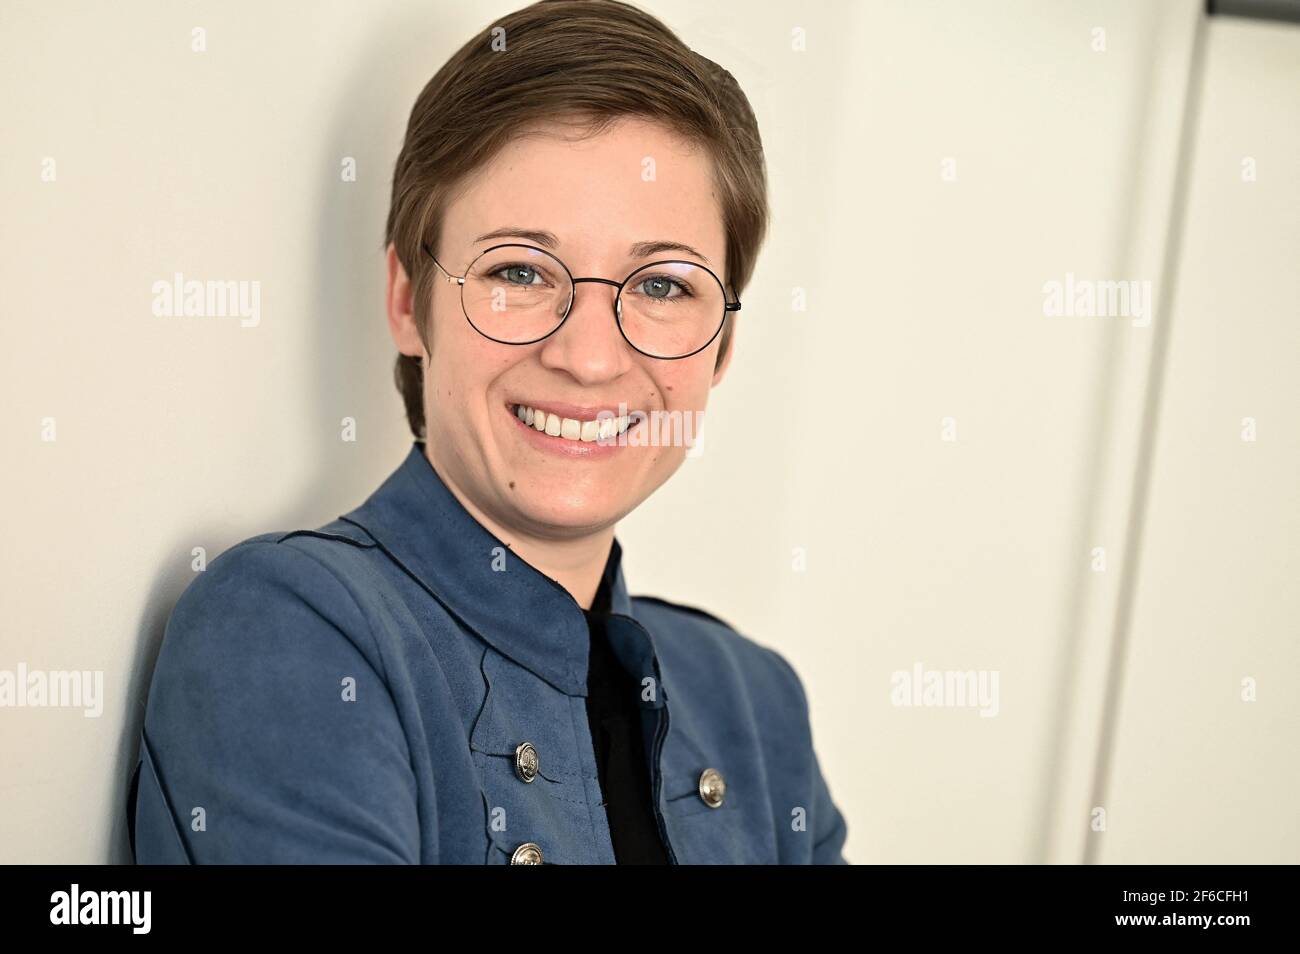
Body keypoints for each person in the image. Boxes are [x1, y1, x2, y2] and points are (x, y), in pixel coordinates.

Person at [129, 0, 848, 864]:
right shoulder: (288, 628)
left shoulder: (756, 703)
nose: (587, 358)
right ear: (407, 302)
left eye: (661, 287)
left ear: (722, 343)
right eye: (519, 270)